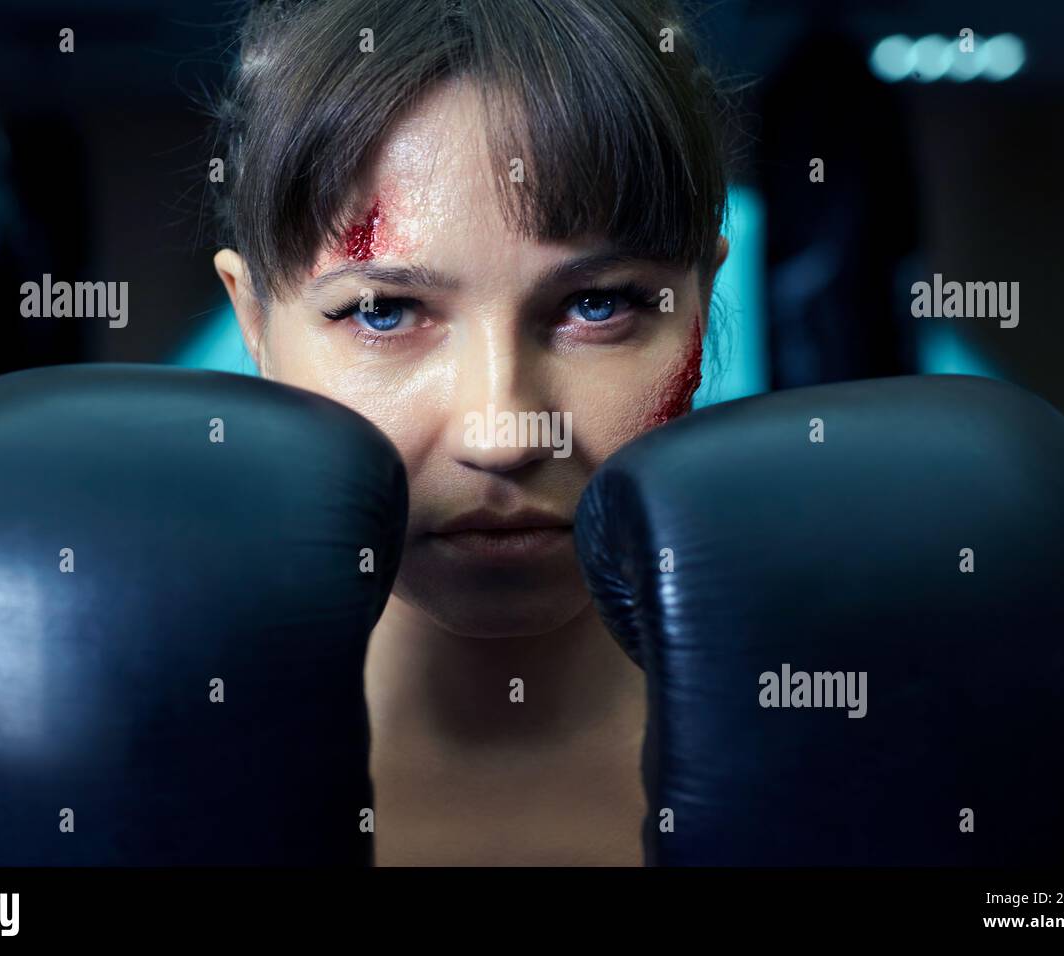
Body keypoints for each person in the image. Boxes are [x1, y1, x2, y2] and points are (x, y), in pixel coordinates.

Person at [211, 0, 733, 865]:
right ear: (254, 323)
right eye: (385, 311)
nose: (501, 434)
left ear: (698, 311)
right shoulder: (141, 767)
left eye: (598, 305)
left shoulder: (870, 750)